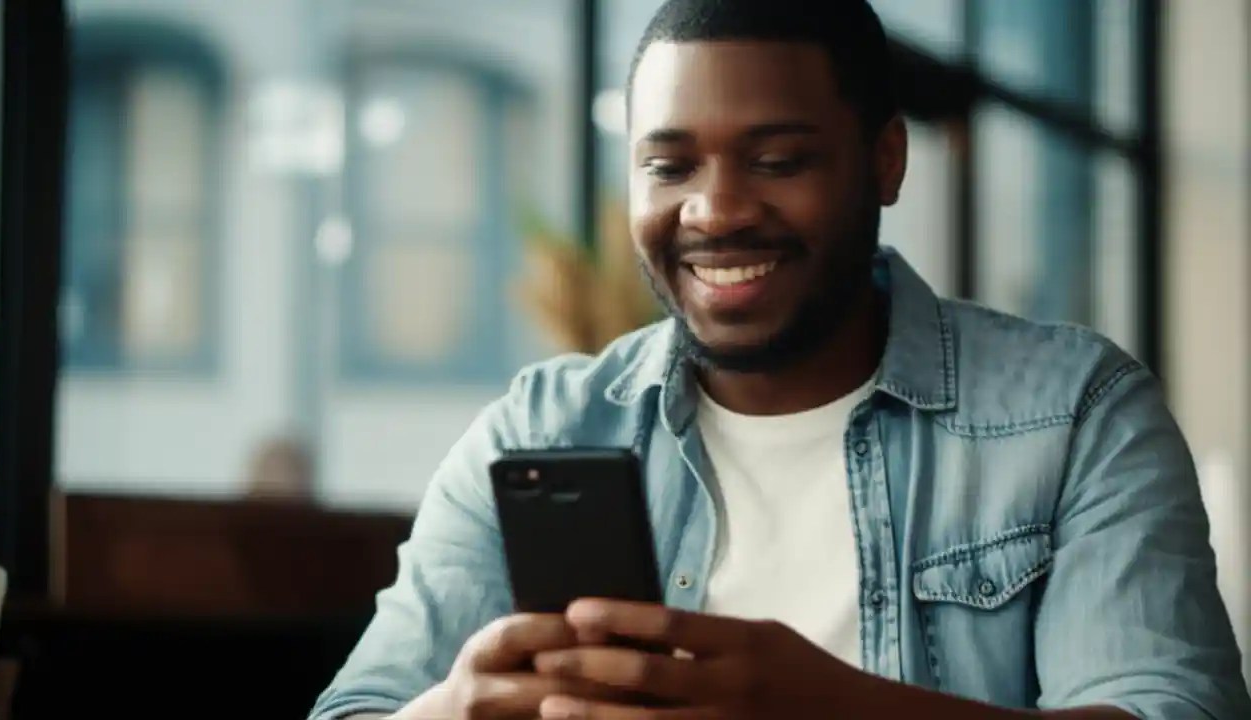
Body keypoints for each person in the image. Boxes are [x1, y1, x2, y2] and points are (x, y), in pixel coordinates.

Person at [310, 1, 1251, 718]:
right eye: (669, 166)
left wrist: (835, 709)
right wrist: (454, 707)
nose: (713, 212)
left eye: (777, 160)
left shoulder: (1077, 412)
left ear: (884, 161)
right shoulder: (543, 426)